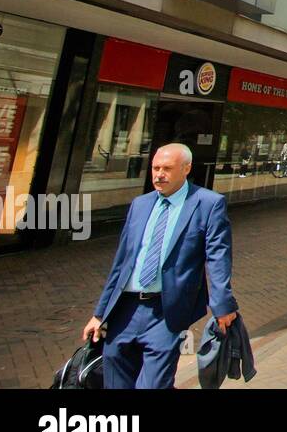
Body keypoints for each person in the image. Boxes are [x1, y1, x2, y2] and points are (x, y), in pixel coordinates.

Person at [81, 143, 239, 389]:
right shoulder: (140, 204)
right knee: (116, 378)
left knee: (154, 384)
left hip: (166, 311)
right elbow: (121, 264)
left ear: (186, 169)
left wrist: (223, 306)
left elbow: (218, 257)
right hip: (126, 309)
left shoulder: (208, 203)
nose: (158, 174)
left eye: (167, 168)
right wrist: (99, 313)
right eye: (155, 168)